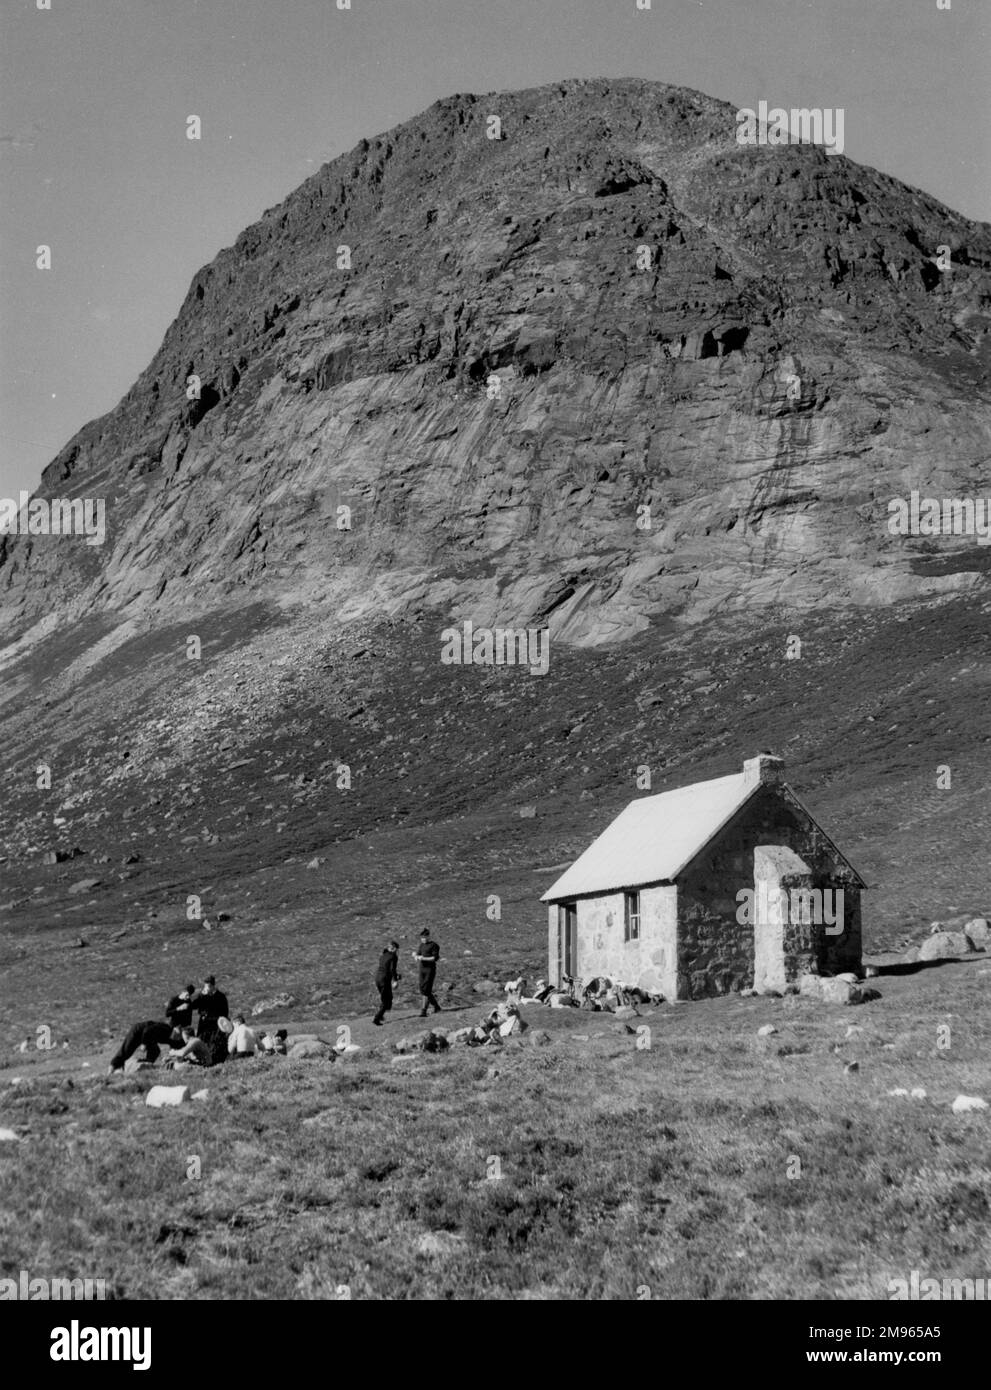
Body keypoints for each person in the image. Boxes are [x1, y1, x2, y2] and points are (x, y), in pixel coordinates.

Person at [108, 1021, 183, 1074]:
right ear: (174, 1029)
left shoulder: (172, 1038)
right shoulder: (165, 1029)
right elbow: (147, 1030)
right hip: (138, 1032)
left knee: (155, 1051)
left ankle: (146, 1065)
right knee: (126, 1051)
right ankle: (111, 1070)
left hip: (149, 1038)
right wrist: (144, 1043)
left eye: (179, 1036)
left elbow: (177, 1046)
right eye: (177, 1033)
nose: (177, 1036)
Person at [191, 975, 230, 1051]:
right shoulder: (202, 996)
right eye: (205, 986)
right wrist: (201, 995)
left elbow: (225, 1012)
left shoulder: (220, 996)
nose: (206, 988)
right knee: (201, 1040)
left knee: (214, 1041)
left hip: (216, 1022)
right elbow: (193, 1006)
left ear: (212, 986)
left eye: (208, 986)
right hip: (203, 1022)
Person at [413, 928, 441, 1017]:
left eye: (424, 937)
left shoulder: (434, 945)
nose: (423, 939)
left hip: (430, 970)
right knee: (423, 990)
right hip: (422, 970)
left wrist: (423, 958)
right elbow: (418, 956)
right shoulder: (421, 945)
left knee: (426, 989)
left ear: (428, 936)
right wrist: (415, 956)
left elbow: (435, 958)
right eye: (421, 938)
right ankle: (436, 1007)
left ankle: (423, 1011)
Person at [373, 940, 401, 1025]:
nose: (397, 951)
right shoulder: (393, 956)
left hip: (378, 978)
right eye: (396, 949)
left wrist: (396, 976)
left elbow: (386, 968)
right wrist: (395, 980)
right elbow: (392, 969)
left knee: (386, 998)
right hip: (384, 980)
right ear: (393, 948)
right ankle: (376, 1019)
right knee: (387, 1000)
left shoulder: (383, 955)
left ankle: (380, 1015)